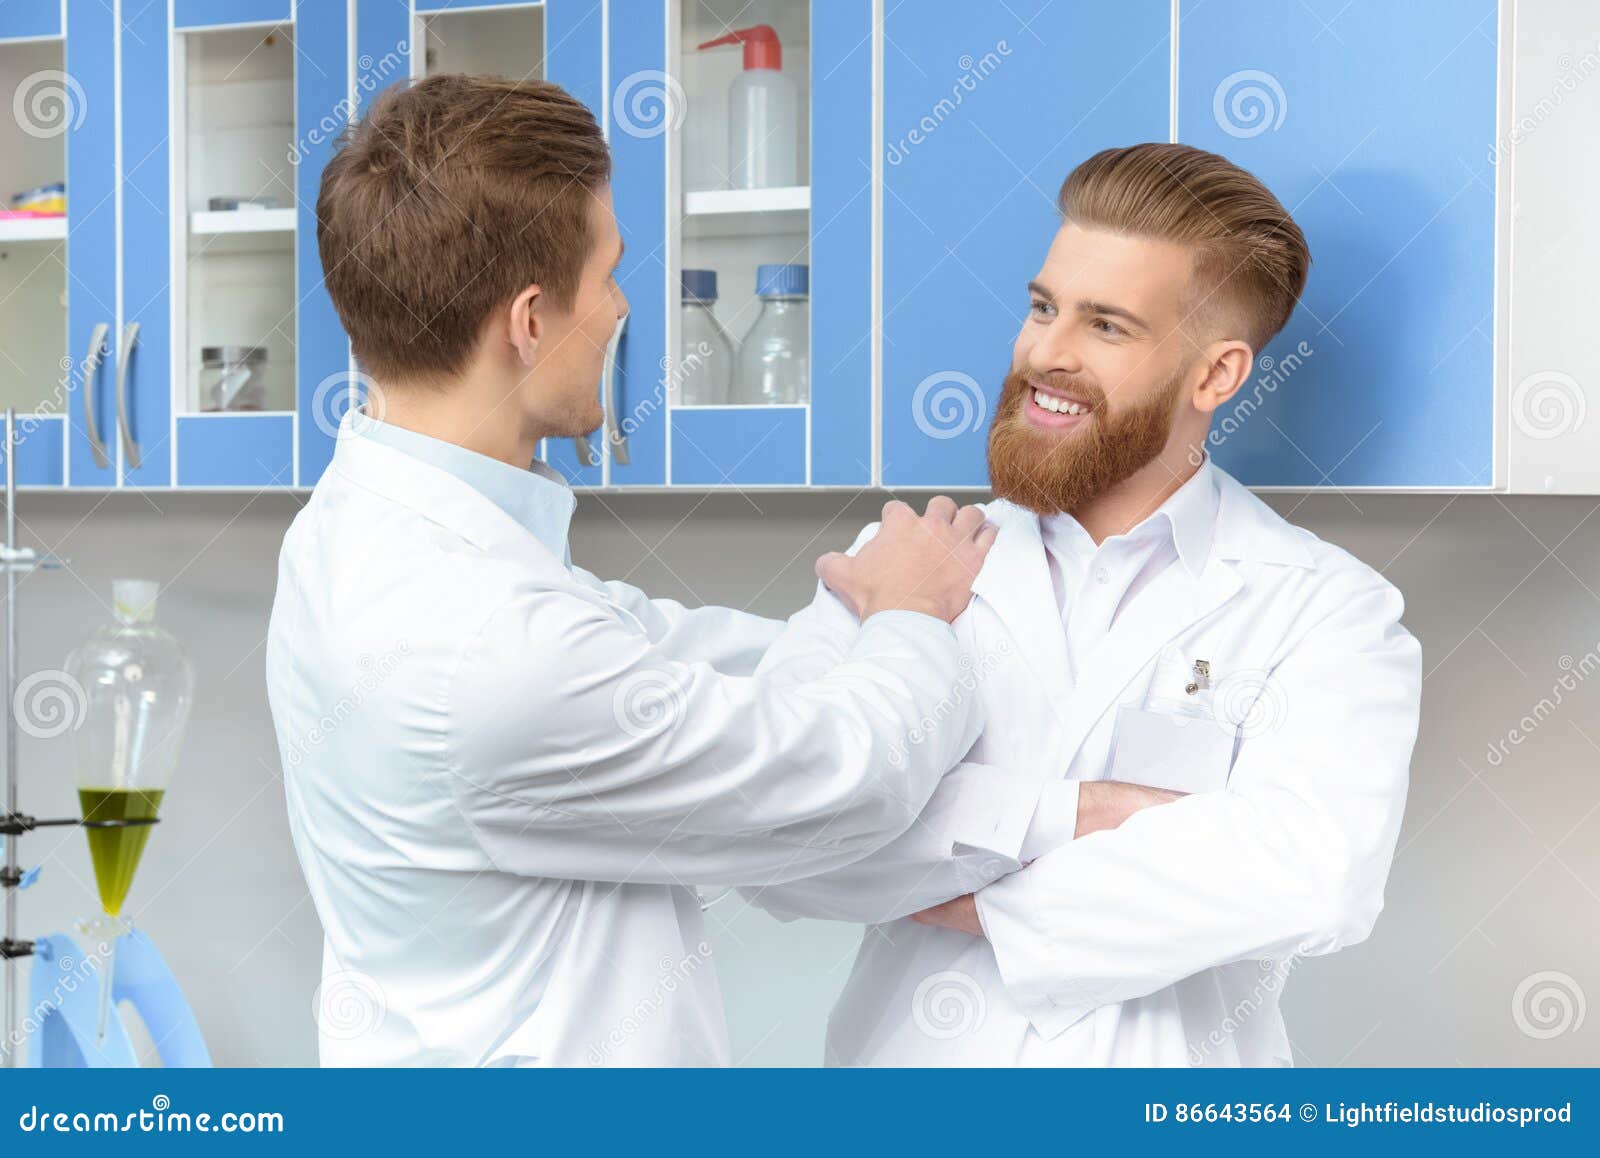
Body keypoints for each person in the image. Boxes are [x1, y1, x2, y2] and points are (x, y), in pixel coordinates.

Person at [263, 76, 1012, 1066]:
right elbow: (847, 778)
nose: (621, 308)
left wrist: (868, 617)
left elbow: (652, 647)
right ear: (530, 321)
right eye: (609, 274)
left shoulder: (363, 529)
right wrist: (908, 611)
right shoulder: (489, 644)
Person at [747, 143, 1423, 1066]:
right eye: (1043, 307)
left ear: (1217, 376)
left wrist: (966, 889)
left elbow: (1312, 878)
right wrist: (1079, 814)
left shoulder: (1325, 609)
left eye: (1106, 326)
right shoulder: (904, 566)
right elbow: (776, 829)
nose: (1045, 354)